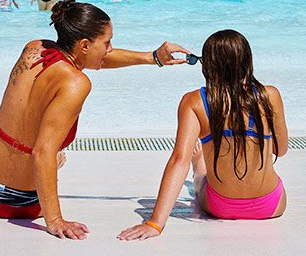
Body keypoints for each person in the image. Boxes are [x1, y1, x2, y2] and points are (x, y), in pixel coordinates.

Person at [0, 0, 190, 239]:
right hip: (17, 203)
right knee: (52, 153)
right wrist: (55, 220)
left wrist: (153, 57)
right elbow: (42, 152)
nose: (110, 48)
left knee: (36, 146)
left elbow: (95, 60)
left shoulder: (34, 49)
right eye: (107, 42)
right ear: (83, 45)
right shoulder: (76, 83)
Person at [118, 29, 288, 240]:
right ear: (247, 60)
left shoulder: (194, 102)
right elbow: (281, 150)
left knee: (200, 173)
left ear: (207, 64)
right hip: (270, 205)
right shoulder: (269, 95)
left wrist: (155, 223)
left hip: (220, 206)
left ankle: (199, 161)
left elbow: (178, 161)